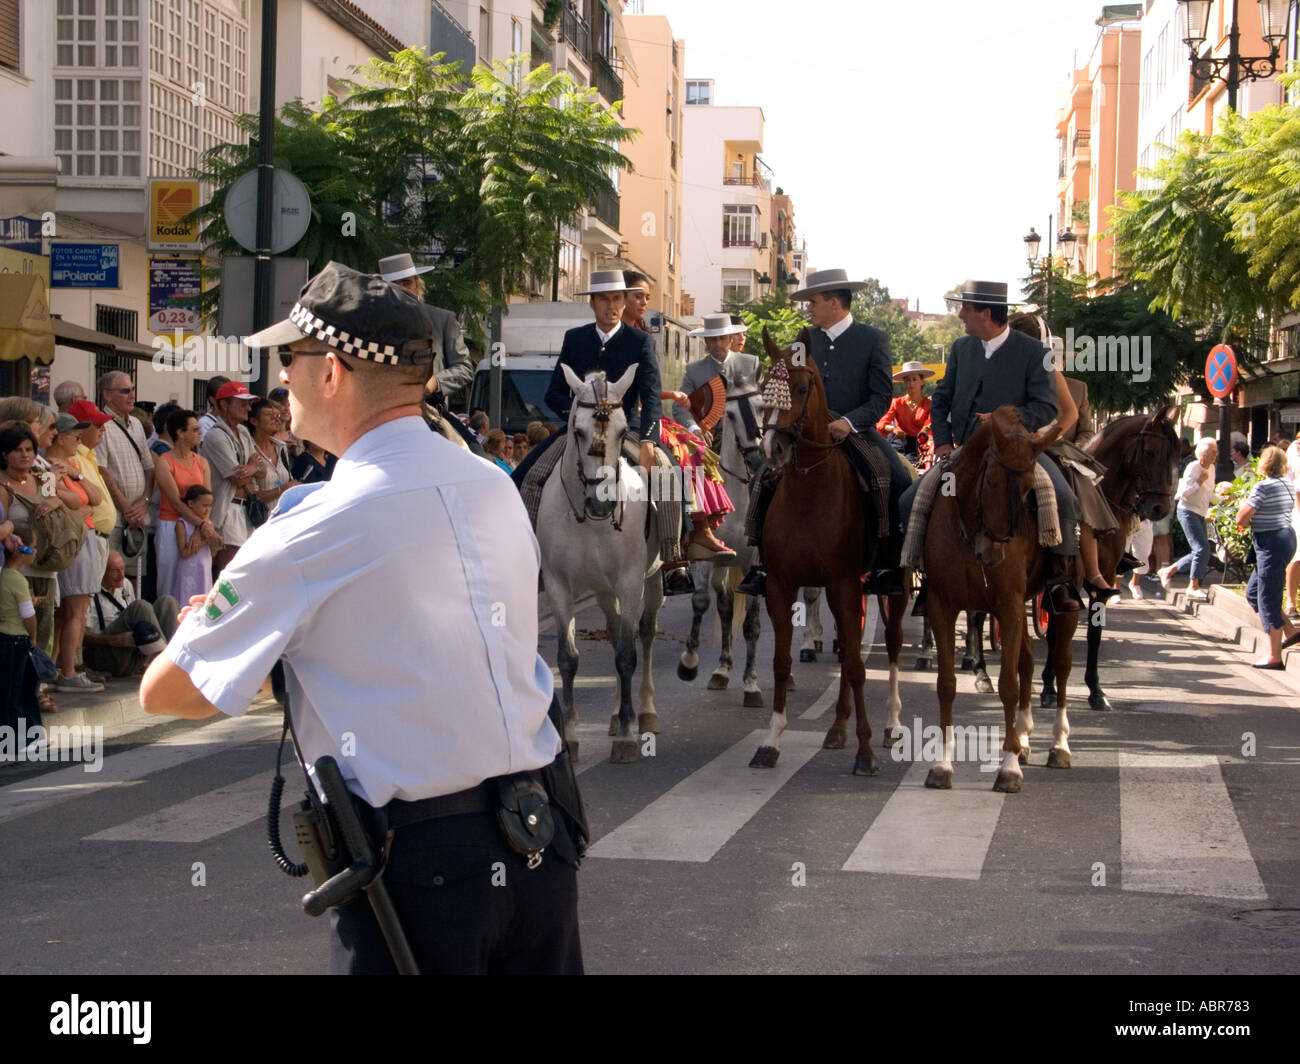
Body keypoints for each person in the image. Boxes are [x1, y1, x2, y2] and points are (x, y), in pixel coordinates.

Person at [141, 261, 582, 975]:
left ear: (334, 372)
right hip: (538, 845)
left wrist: (234, 632)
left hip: (421, 871)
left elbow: (167, 691)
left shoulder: (312, 523)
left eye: (290, 358)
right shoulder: (493, 487)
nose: (280, 381)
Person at [512, 269, 693, 595]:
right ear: (592, 303)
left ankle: (674, 558)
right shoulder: (574, 338)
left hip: (629, 429)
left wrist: (651, 441)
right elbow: (553, 392)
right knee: (528, 475)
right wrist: (578, 417)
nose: (612, 306)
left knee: (670, 474)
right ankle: (527, 555)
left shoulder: (640, 341)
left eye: (617, 299)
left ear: (624, 303)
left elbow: (652, 396)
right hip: (581, 431)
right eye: (605, 299)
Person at [904, 280, 1082, 612]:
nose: (960, 315)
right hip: (965, 451)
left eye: (966, 309)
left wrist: (1004, 421)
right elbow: (941, 400)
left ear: (986, 313)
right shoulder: (961, 349)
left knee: (1063, 498)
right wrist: (942, 443)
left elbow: (1046, 407)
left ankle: (1060, 581)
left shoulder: (1035, 353)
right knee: (910, 501)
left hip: (1017, 454)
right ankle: (929, 578)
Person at [741, 269, 912, 598]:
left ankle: (887, 566)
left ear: (834, 303)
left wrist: (848, 422)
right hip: (806, 434)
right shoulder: (804, 343)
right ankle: (762, 562)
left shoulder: (873, 339)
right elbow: (788, 388)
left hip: (855, 431)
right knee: (761, 480)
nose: (809, 309)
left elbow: (881, 397)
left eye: (813, 302)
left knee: (896, 480)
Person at [46, 412, 108, 692]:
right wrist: (77, 504)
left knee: (73, 611)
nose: (79, 440)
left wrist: (77, 475)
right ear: (59, 437)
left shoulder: (70, 466)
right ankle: (68, 672)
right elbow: (64, 502)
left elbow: (95, 498)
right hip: (73, 539)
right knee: (74, 610)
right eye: (74, 436)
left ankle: (57, 667)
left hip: (84, 535)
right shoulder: (48, 466)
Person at [0, 424, 65, 663]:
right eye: (18, 450)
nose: (25, 454)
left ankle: (39, 684)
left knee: (45, 625)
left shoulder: (42, 478)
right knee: (19, 628)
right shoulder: (2, 486)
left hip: (46, 564)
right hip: (16, 567)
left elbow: (63, 500)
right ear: (5, 455)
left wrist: (54, 501)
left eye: (29, 449)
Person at [378, 252, 474, 400]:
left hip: (429, 412)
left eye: (406, 283)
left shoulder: (442, 319)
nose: (402, 290)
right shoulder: (375, 325)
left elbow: (465, 367)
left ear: (417, 283)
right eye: (394, 286)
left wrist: (436, 382)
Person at [1236, 446, 1300, 668]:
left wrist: (1242, 506)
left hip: (1270, 543)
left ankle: (1274, 656)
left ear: (1264, 464)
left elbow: (1242, 519)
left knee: (1267, 598)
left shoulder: (1263, 487)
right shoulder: (1287, 484)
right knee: (1254, 593)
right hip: (1286, 538)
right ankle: (1290, 632)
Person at [93, 371, 153, 588]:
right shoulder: (100, 425)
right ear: (107, 395)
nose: (132, 395)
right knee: (113, 577)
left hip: (139, 515)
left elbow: (149, 466)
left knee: (135, 577)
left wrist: (144, 502)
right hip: (118, 518)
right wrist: (127, 507)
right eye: (125, 390)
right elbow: (102, 470)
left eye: (133, 389)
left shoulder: (137, 423)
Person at [153, 409, 217, 602]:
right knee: (169, 580)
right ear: (180, 433)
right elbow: (175, 501)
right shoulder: (164, 462)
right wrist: (201, 525)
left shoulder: (202, 462)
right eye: (195, 429)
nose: (200, 432)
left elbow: (208, 499)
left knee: (199, 578)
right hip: (171, 524)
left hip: (198, 524)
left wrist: (200, 528)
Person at [82, 550, 177, 678]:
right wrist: (112, 640)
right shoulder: (89, 592)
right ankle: (166, 662)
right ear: (101, 572)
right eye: (115, 571)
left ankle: (178, 659)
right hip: (105, 654)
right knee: (141, 606)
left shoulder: (126, 584)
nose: (121, 575)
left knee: (167, 602)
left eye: (122, 569)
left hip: (131, 653)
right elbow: (81, 637)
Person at [199, 381, 260, 574]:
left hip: (247, 509)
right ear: (224, 405)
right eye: (242, 403)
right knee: (229, 571)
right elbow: (237, 478)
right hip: (228, 509)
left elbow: (262, 467)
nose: (248, 408)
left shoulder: (243, 431)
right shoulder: (215, 436)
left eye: (248, 404)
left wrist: (250, 468)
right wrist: (252, 468)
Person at [1158, 437, 1217, 600]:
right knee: (1201, 549)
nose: (1215, 455)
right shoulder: (1193, 467)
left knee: (1201, 550)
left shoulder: (1211, 469)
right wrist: (1198, 482)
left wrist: (1223, 499)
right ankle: (1193, 586)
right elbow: (1182, 494)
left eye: (1215, 452)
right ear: (1202, 455)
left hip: (1200, 512)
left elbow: (1210, 493)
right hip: (1188, 511)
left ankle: (1168, 571)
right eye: (1212, 452)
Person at [0, 529, 42, 732]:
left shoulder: (3, 576)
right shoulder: (17, 580)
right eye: (33, 547)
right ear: (22, 550)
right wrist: (33, 636)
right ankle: (19, 737)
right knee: (16, 691)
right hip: (15, 640)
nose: (35, 552)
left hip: (4, 638)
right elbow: (27, 615)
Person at [876, 361, 934, 462]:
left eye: (914, 379)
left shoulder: (929, 404)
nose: (911, 383)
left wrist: (925, 431)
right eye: (907, 380)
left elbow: (929, 426)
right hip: (899, 443)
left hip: (920, 445)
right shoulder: (896, 402)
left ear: (922, 381)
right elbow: (882, 423)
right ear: (904, 383)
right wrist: (893, 429)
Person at [173, 484, 217, 602]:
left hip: (204, 569)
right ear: (191, 504)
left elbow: (213, 553)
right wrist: (203, 539)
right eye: (204, 506)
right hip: (188, 570)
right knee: (186, 599)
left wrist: (214, 541)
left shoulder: (209, 525)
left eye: (210, 506)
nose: (207, 509)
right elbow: (184, 552)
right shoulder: (182, 524)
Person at [1286, 428, 1300, 619]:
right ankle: (1290, 600)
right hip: (1298, 509)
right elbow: (1294, 486)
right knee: (1297, 556)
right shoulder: (1295, 449)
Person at [197, 376, 231, 441]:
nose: (230, 401)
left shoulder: (232, 421)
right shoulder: (204, 423)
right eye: (226, 397)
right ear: (213, 400)